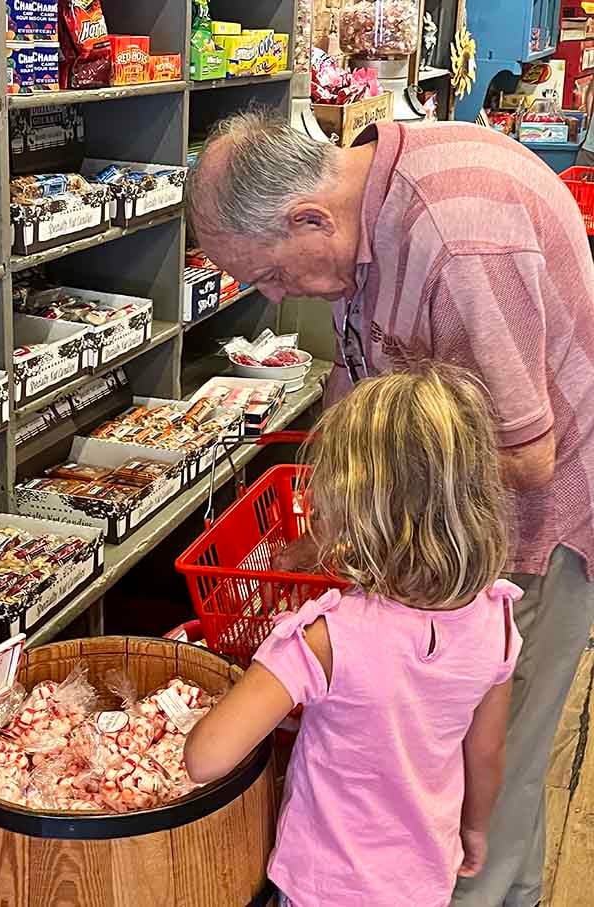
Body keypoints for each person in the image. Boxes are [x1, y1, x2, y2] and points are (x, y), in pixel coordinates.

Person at [185, 112, 594, 907]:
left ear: (309, 217)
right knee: (458, 770)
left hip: (533, 533)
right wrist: (325, 516)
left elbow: (529, 454)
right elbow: (362, 364)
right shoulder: (364, 207)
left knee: (496, 774)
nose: (272, 296)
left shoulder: (459, 235)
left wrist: (359, 516)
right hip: (453, 536)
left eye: (268, 273)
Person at [185, 365, 523, 907]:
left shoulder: (326, 637)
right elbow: (485, 751)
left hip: (324, 884)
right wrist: (475, 829)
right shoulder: (496, 620)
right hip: (423, 879)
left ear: (354, 509)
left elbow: (207, 758)